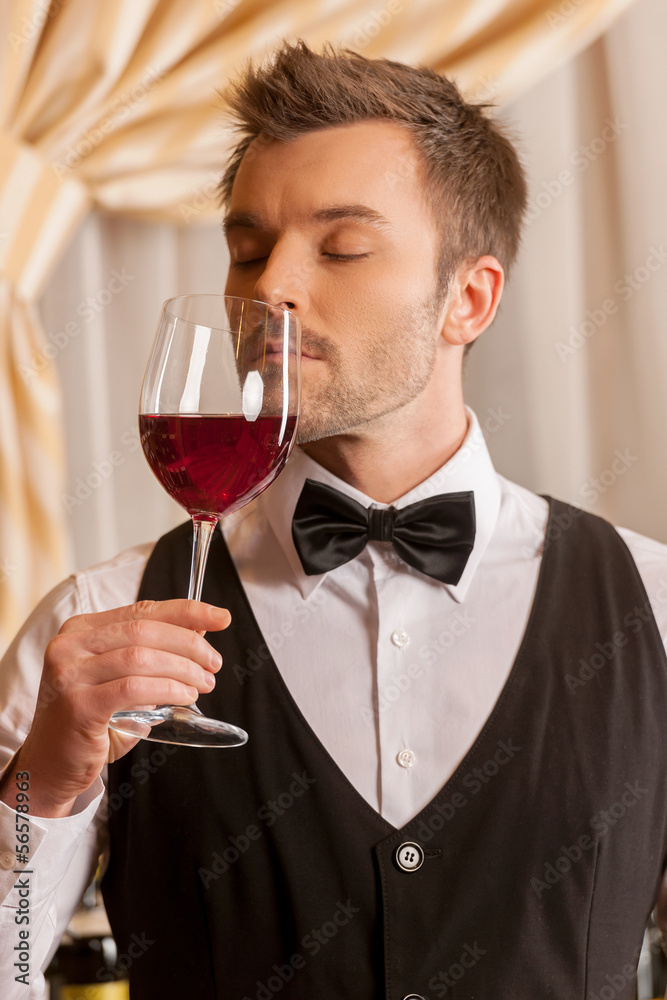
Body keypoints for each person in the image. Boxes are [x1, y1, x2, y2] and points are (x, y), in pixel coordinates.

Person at [1, 39, 667, 1000]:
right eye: (246, 248)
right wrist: (43, 789)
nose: (269, 287)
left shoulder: (649, 605)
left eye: (342, 247)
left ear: (468, 299)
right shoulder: (96, 624)